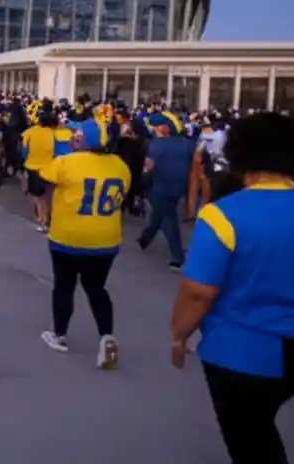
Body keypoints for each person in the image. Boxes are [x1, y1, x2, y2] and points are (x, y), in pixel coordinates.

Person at [171, 112, 294, 463]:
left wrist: (178, 334)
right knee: (261, 430)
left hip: (240, 351)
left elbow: (198, 292)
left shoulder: (222, 215)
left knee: (250, 440)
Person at [38, 118, 129, 369]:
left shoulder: (67, 161)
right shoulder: (120, 165)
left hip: (68, 236)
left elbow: (45, 175)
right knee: (97, 288)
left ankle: (59, 334)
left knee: (64, 286)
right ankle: (106, 336)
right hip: (106, 238)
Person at [139, 112, 195, 270]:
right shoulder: (189, 144)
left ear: (164, 128)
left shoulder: (154, 145)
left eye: (155, 127)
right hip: (180, 187)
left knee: (168, 219)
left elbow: (148, 170)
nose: (153, 130)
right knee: (160, 214)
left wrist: (142, 184)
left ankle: (177, 257)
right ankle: (146, 238)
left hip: (159, 187)